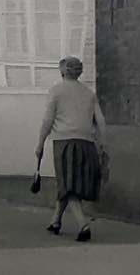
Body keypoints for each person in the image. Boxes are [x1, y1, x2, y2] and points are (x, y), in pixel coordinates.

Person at [35, 56, 106, 241]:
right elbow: (100, 121)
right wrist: (102, 143)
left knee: (68, 185)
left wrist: (40, 143)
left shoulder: (56, 91)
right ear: (79, 72)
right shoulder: (89, 93)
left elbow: (48, 120)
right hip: (87, 143)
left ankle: (83, 225)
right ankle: (56, 220)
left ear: (62, 70)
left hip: (64, 142)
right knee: (69, 182)